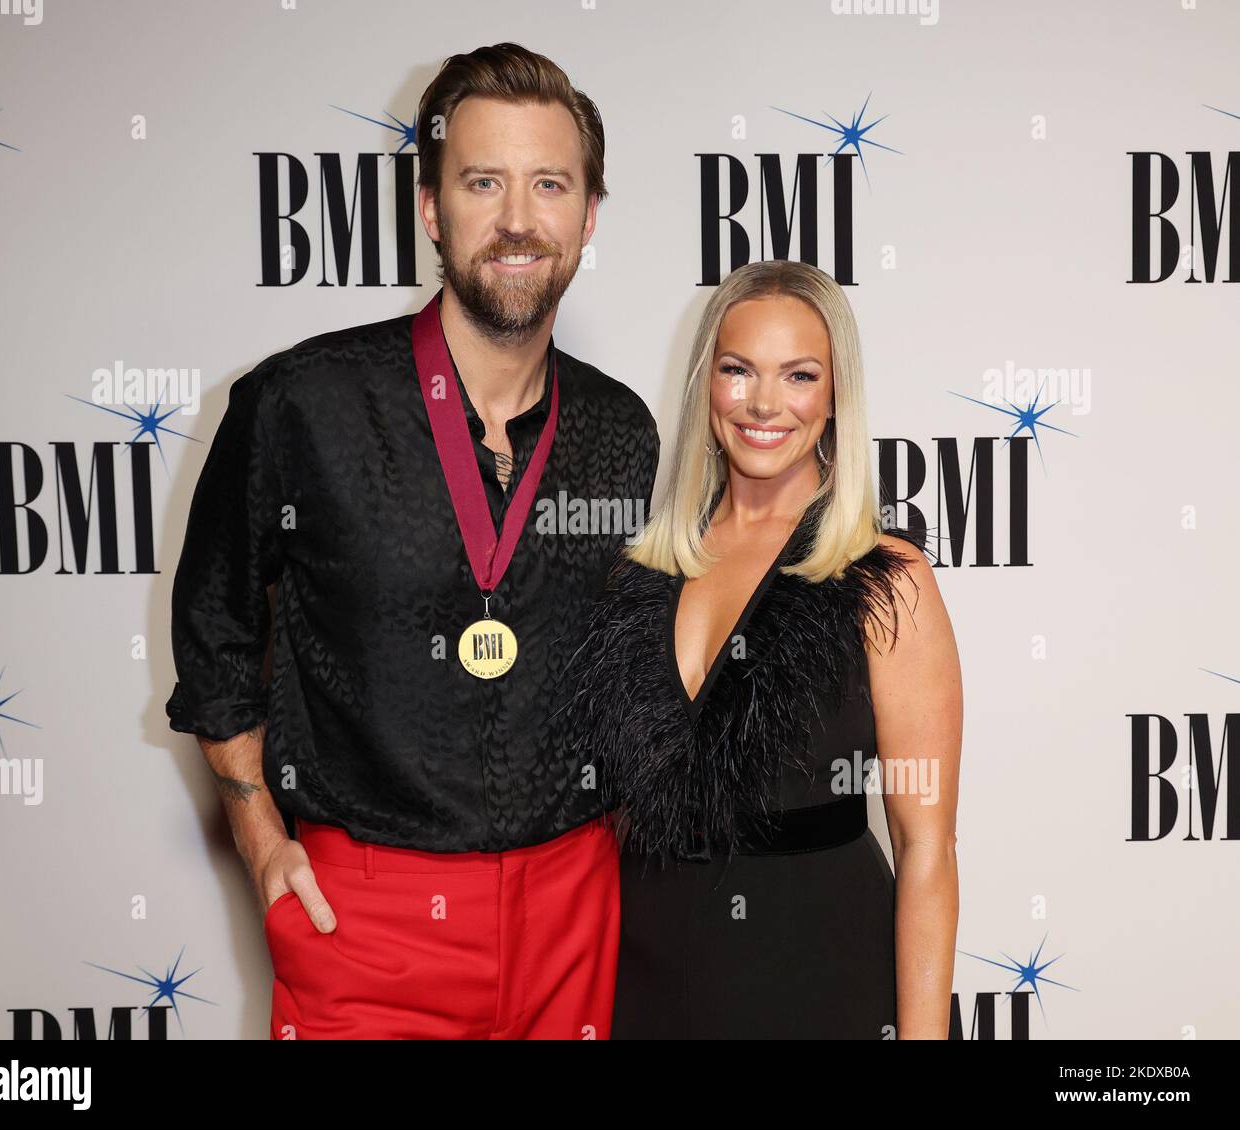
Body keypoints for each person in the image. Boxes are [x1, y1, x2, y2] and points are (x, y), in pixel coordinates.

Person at [163, 42, 660, 1039]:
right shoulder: (301, 402)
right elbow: (213, 632)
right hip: (370, 915)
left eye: (549, 184)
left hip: (574, 905)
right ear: (431, 208)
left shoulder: (622, 430)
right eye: (483, 181)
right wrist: (261, 839)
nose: (517, 218)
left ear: (588, 215)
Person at [554, 260, 962, 1039]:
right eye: (738, 370)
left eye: (799, 375)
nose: (765, 403)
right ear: (706, 382)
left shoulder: (886, 579)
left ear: (837, 393)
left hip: (822, 980)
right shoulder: (638, 575)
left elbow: (928, 852)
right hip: (650, 983)